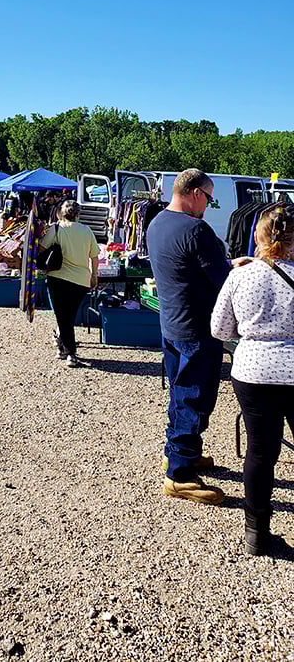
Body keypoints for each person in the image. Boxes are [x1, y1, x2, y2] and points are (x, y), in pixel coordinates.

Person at [147, 168, 250, 506]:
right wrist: (240, 270)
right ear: (193, 192)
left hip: (172, 325)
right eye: (208, 198)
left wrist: (227, 262)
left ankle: (178, 453)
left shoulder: (158, 222)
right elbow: (223, 283)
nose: (208, 205)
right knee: (194, 399)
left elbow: (190, 268)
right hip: (196, 329)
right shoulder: (197, 229)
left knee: (179, 394)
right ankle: (179, 475)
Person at [211, 203, 294, 555]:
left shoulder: (240, 274)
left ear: (259, 235)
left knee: (261, 452)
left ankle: (256, 533)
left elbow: (219, 329)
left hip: (253, 372)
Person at [40, 200, 99, 367]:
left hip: (58, 277)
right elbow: (94, 257)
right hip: (81, 280)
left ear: (61, 212)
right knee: (69, 316)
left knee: (62, 316)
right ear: (78, 214)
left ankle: (70, 352)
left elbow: (42, 248)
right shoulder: (87, 231)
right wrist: (94, 276)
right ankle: (63, 345)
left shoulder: (56, 228)